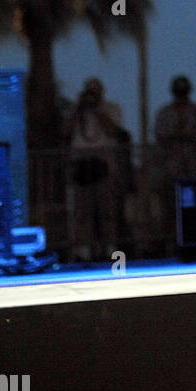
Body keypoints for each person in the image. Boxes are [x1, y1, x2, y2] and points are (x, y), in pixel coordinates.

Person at [66, 78, 129, 263]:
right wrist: (79, 109)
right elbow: (66, 132)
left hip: (103, 165)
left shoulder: (111, 108)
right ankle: (84, 248)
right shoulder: (77, 112)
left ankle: (109, 248)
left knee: (106, 209)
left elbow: (114, 132)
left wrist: (98, 110)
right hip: (81, 165)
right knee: (82, 209)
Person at [154, 76, 196, 244]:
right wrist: (180, 133)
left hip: (194, 168)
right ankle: (171, 245)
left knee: (195, 208)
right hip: (172, 169)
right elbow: (160, 134)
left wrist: (184, 134)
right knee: (170, 209)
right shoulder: (165, 113)